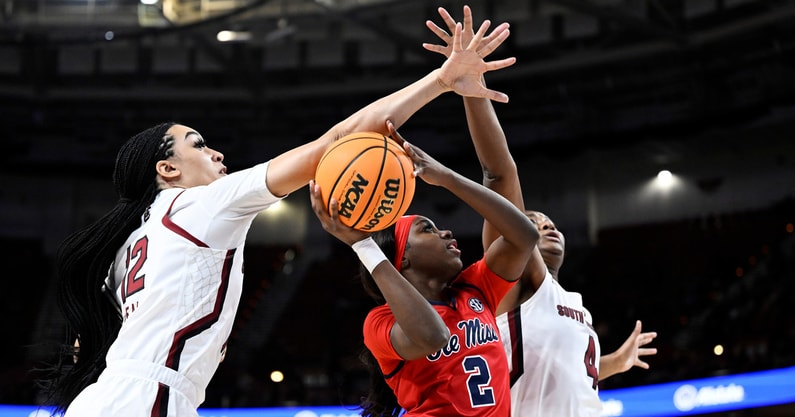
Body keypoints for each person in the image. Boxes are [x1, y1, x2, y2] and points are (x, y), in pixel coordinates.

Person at [39, 15, 517, 417]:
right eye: (198, 145)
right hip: (149, 400)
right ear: (167, 169)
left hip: (105, 397)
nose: (218, 153)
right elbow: (336, 143)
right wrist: (442, 79)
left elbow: (92, 346)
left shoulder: (126, 245)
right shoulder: (206, 202)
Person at [423, 6, 658, 416]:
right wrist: (473, 93)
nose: (546, 224)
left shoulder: (572, 301)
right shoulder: (511, 286)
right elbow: (499, 176)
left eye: (549, 221)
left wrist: (615, 363)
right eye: (532, 220)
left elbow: (567, 374)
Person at [309, 120, 539, 417]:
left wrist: (448, 179)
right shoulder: (380, 321)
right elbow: (433, 337)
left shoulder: (476, 288)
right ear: (402, 259)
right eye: (426, 229)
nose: (445, 233)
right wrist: (363, 245)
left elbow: (524, 236)